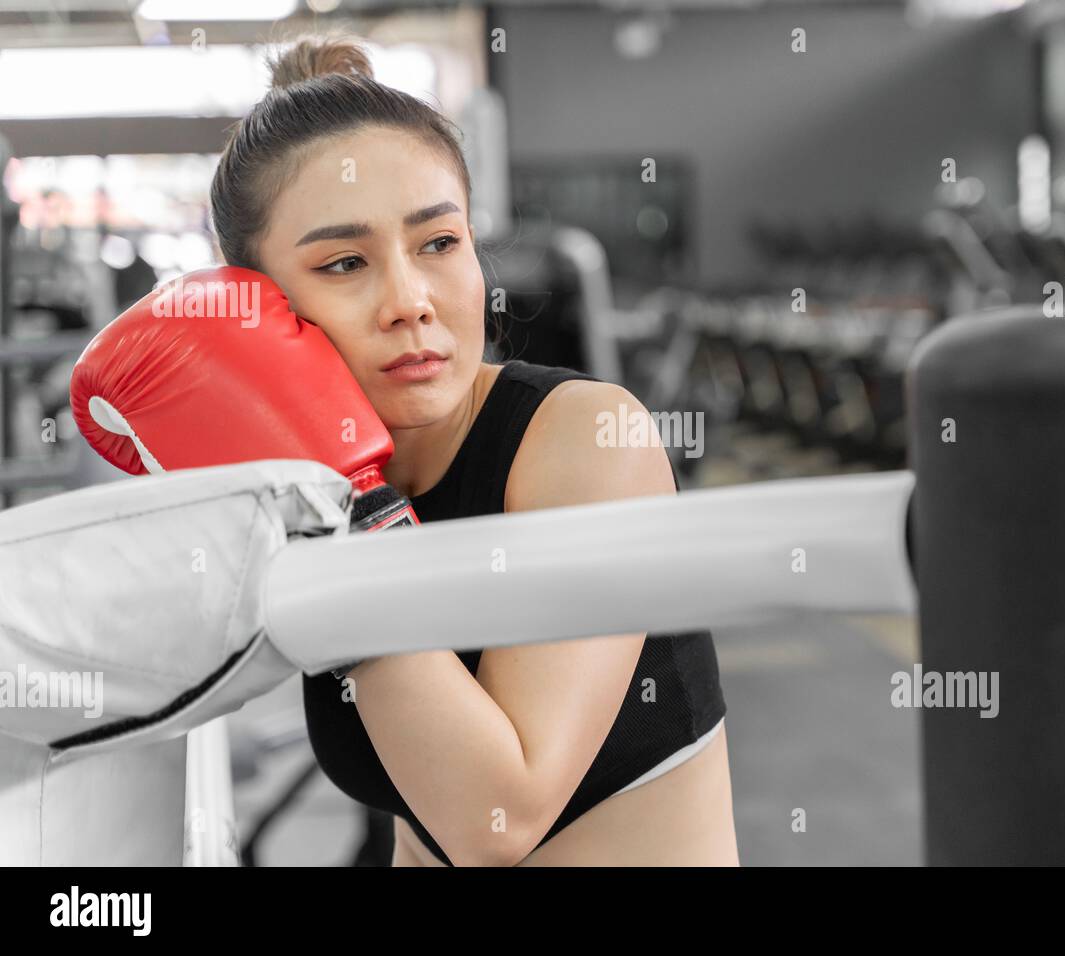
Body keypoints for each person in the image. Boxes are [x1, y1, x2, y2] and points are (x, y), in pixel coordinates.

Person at [207, 34, 736, 867]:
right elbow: (418, 833)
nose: (410, 301)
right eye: (346, 262)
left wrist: (351, 514)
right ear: (257, 305)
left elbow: (496, 815)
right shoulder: (311, 480)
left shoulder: (589, 439)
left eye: (439, 243)